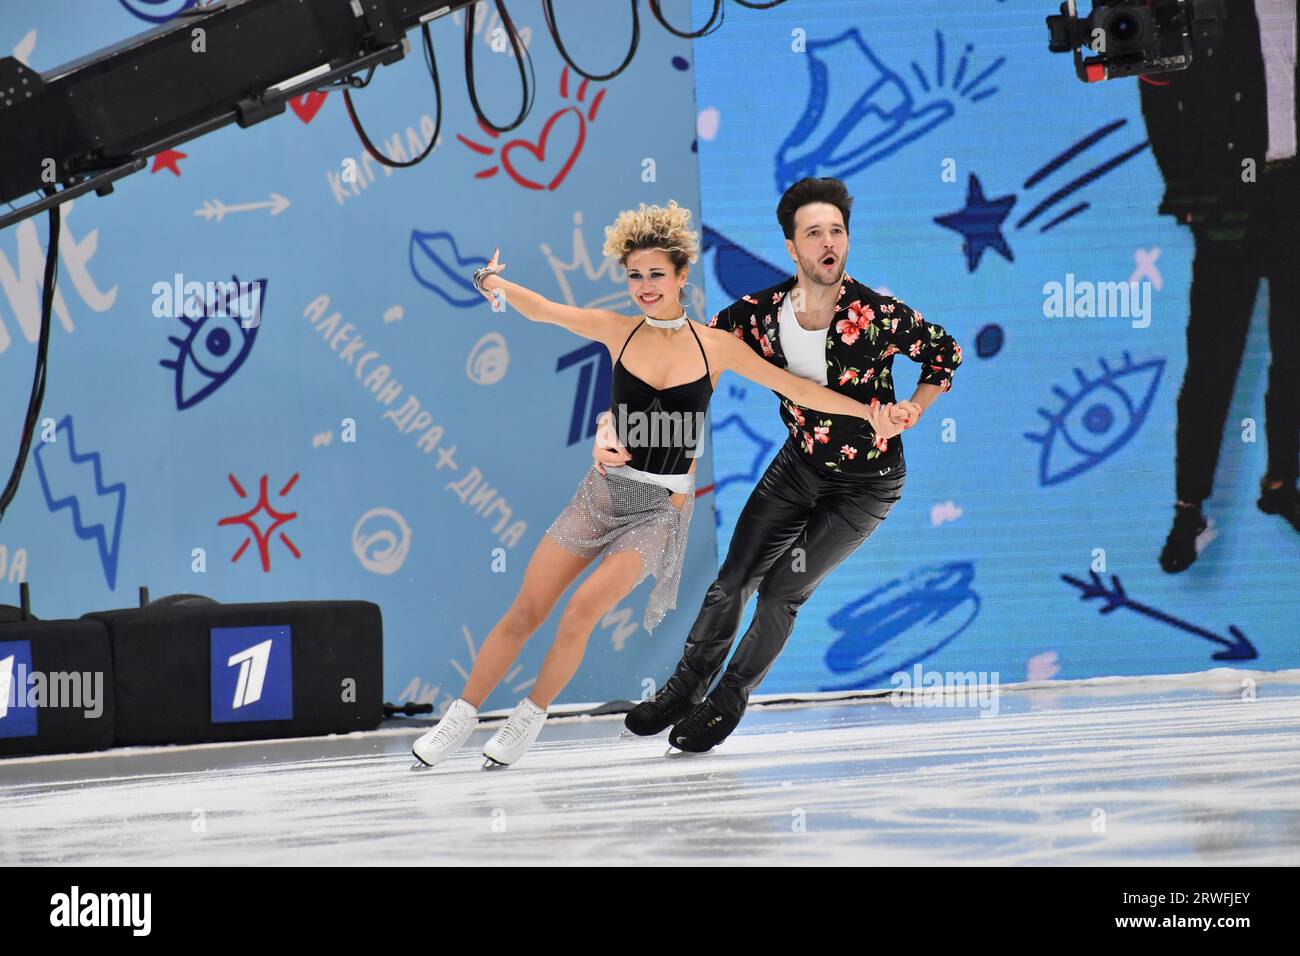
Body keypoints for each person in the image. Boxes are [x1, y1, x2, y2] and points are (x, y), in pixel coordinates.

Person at [411, 200, 909, 769]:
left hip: (660, 511)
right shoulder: (617, 332)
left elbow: (795, 388)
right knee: (527, 606)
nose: (645, 287)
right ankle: (460, 718)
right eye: (634, 276)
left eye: (656, 275)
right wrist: (488, 279)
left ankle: (527, 720)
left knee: (581, 612)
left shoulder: (715, 346)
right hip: (601, 496)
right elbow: (544, 310)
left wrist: (871, 414)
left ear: (679, 275)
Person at [608, 177, 963, 752]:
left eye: (838, 231)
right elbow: (690, 354)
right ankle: (684, 688)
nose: (829, 243)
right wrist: (624, 421)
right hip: (798, 468)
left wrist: (915, 409)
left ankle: (726, 703)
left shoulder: (876, 315)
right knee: (732, 584)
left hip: (865, 485)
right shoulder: (755, 315)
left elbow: (945, 353)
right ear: (792, 248)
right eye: (815, 233)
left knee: (780, 593)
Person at [1139, 0, 1300, 572]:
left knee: (1295, 353)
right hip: (1228, 198)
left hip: (1294, 191)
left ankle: (1282, 480)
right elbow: (1156, 90)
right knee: (1212, 360)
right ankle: (1189, 508)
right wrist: (1186, 193)